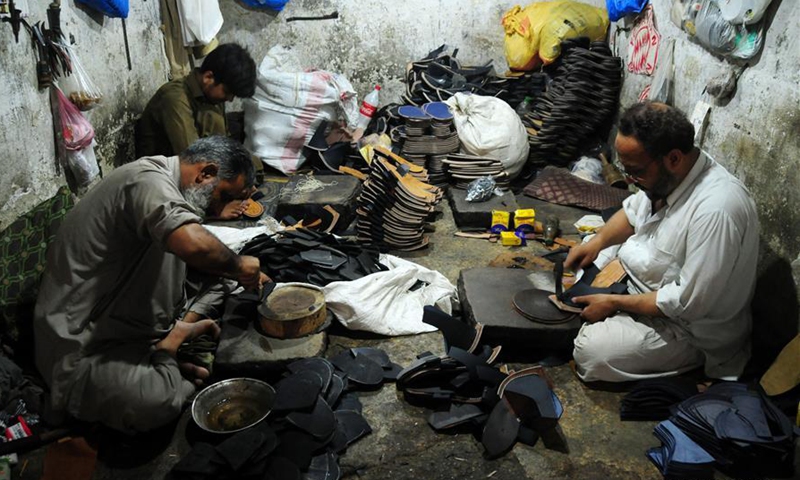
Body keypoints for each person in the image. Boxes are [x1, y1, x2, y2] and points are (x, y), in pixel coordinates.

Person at [34, 136, 268, 434]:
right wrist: (240, 267)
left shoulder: (170, 187)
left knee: (223, 281)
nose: (224, 205)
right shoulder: (146, 180)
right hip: (84, 351)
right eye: (224, 195)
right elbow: (194, 246)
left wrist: (232, 267)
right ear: (206, 173)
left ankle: (172, 339)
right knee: (158, 401)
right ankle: (166, 353)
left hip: (133, 325)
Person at [565, 101, 759, 383]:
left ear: (674, 158)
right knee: (588, 253)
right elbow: (632, 212)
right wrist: (596, 242)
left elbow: (685, 303)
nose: (631, 179)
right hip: (639, 286)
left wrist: (615, 302)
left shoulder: (717, 209)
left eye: (636, 171)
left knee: (592, 353)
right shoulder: (664, 177)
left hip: (687, 329)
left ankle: (685, 365)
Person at [135, 42, 259, 220]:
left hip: (201, 172)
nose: (230, 99)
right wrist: (220, 204)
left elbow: (224, 145)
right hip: (166, 183)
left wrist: (242, 178)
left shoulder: (212, 98)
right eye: (228, 92)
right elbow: (191, 159)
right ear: (209, 77)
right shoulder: (175, 98)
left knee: (251, 166)